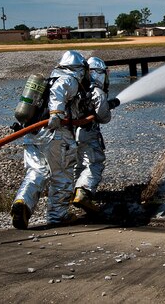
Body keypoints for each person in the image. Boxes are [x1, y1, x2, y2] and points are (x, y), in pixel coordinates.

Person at [10, 50, 88, 229]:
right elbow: (59, 92)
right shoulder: (69, 78)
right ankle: (57, 215)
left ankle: (23, 202)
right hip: (56, 134)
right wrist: (56, 113)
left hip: (33, 133)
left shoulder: (48, 80)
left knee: (36, 172)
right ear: (79, 68)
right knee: (61, 175)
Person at [71, 56, 119, 213]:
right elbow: (104, 117)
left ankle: (74, 191)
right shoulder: (96, 91)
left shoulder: (75, 88)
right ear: (99, 73)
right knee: (95, 163)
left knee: (79, 164)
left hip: (70, 135)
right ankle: (83, 192)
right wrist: (106, 105)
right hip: (88, 133)